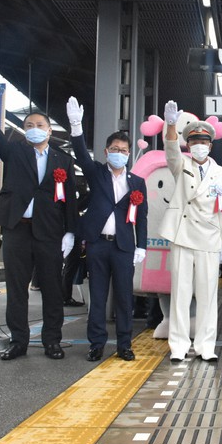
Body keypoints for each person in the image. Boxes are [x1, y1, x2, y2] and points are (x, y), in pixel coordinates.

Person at [0, 75, 77, 361]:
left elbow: (70, 197)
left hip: (50, 232)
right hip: (17, 229)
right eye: (29, 125)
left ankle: (52, 341)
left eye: (39, 125)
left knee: (52, 288)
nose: (34, 129)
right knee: (16, 289)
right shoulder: (15, 151)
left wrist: (70, 232)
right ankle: (18, 341)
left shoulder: (62, 160)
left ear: (50, 130)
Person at [66, 97, 147, 361]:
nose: (119, 153)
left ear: (128, 153)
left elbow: (142, 216)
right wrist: (76, 127)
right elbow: (79, 153)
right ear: (105, 152)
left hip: (124, 247)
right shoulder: (96, 173)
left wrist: (142, 245)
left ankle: (124, 344)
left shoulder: (138, 182)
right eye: (114, 149)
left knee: (125, 298)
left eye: (124, 150)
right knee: (98, 298)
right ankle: (97, 343)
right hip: (97, 244)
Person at [159, 100, 222, 362]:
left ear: (210, 145)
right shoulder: (182, 165)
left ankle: (205, 346)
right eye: (194, 142)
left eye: (203, 141)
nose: (199, 145)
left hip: (210, 239)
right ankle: (178, 346)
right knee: (179, 293)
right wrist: (170, 125)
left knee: (207, 296)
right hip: (182, 235)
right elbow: (170, 151)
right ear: (188, 145)